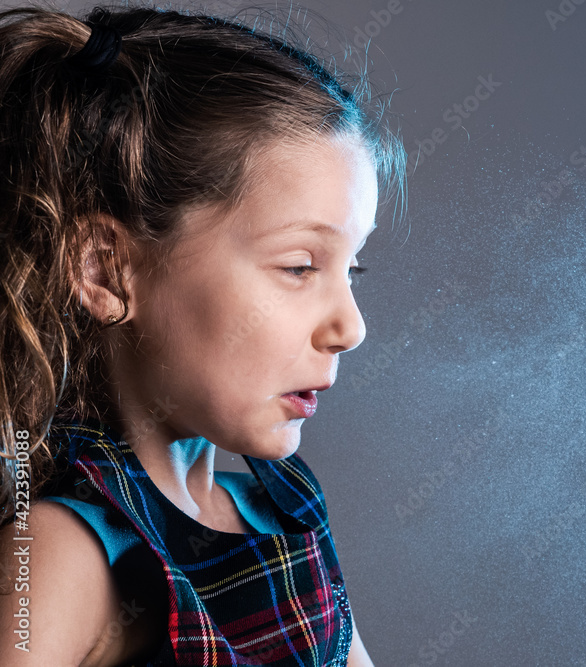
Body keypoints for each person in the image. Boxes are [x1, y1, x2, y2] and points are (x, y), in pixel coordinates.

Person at [0, 4, 404, 665]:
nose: (352, 327)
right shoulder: (64, 549)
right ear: (107, 271)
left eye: (351, 267)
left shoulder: (285, 525)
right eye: (300, 266)